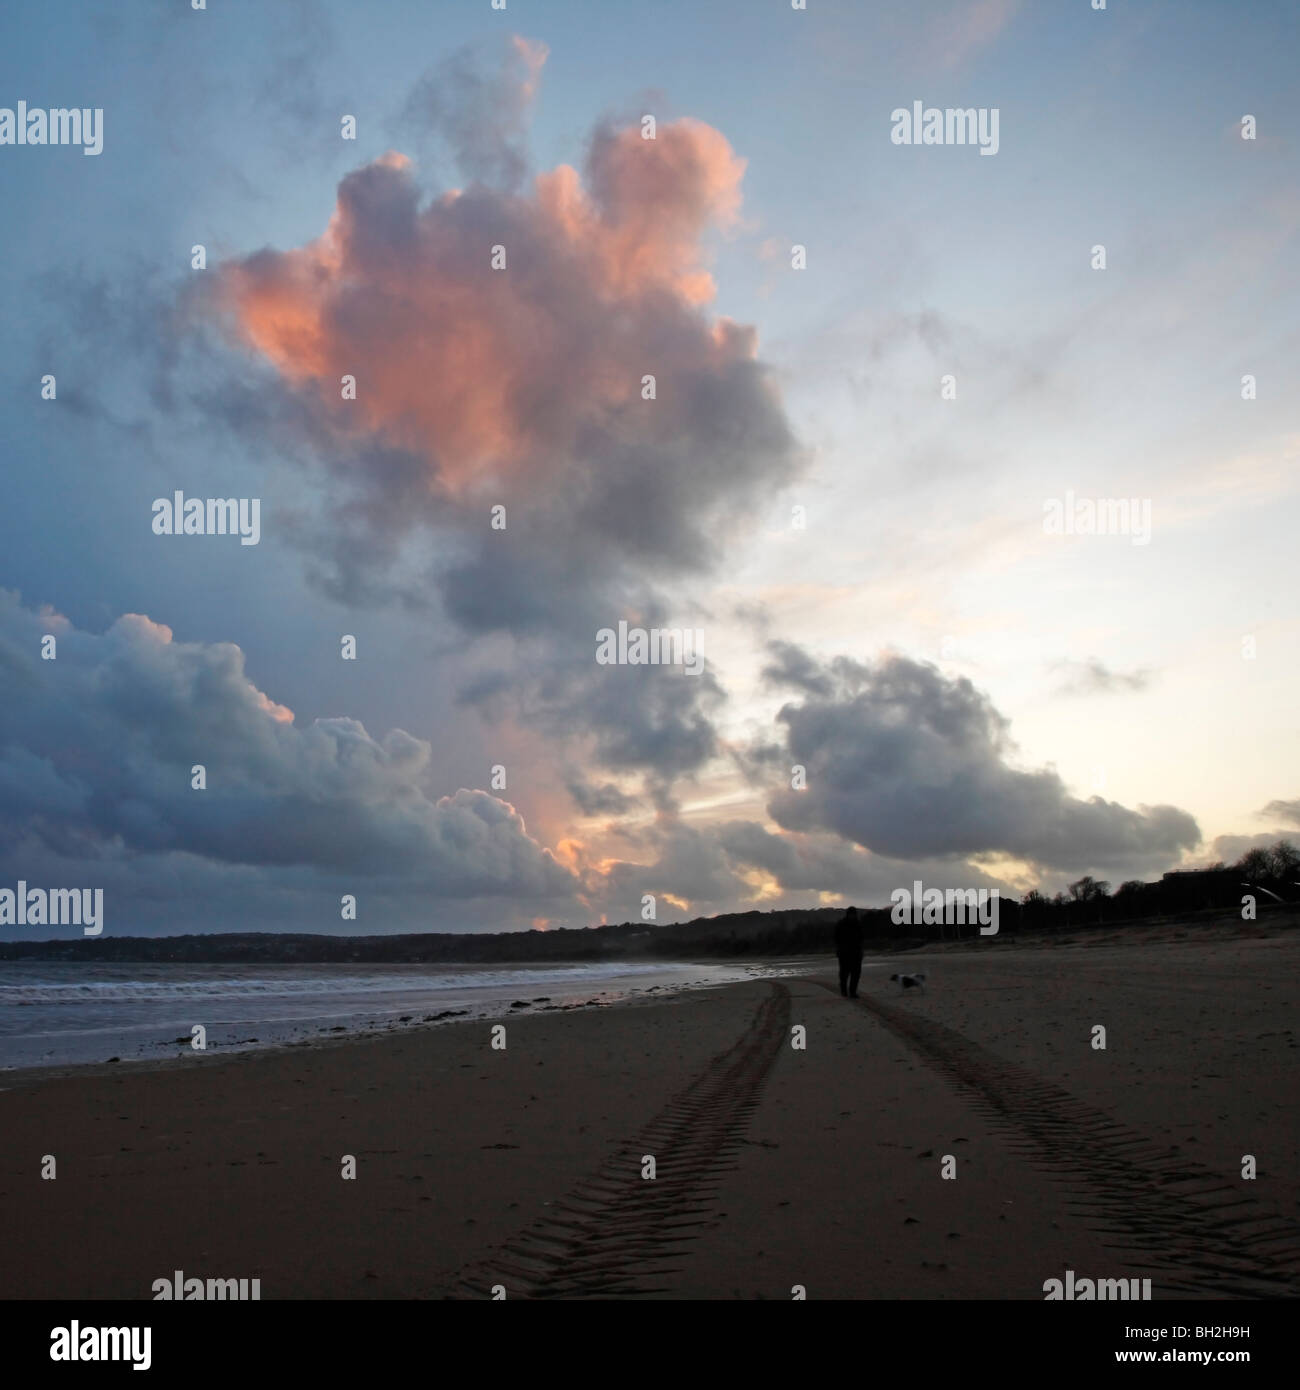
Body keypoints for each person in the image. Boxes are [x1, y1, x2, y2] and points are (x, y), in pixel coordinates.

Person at [834, 905, 864, 997]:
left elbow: (861, 938)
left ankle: (852, 992)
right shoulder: (841, 924)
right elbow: (836, 938)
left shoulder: (858, 924)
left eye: (854, 914)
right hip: (844, 953)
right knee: (844, 974)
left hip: (856, 952)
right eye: (851, 914)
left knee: (856, 973)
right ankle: (844, 991)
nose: (853, 916)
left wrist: (861, 950)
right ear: (848, 914)